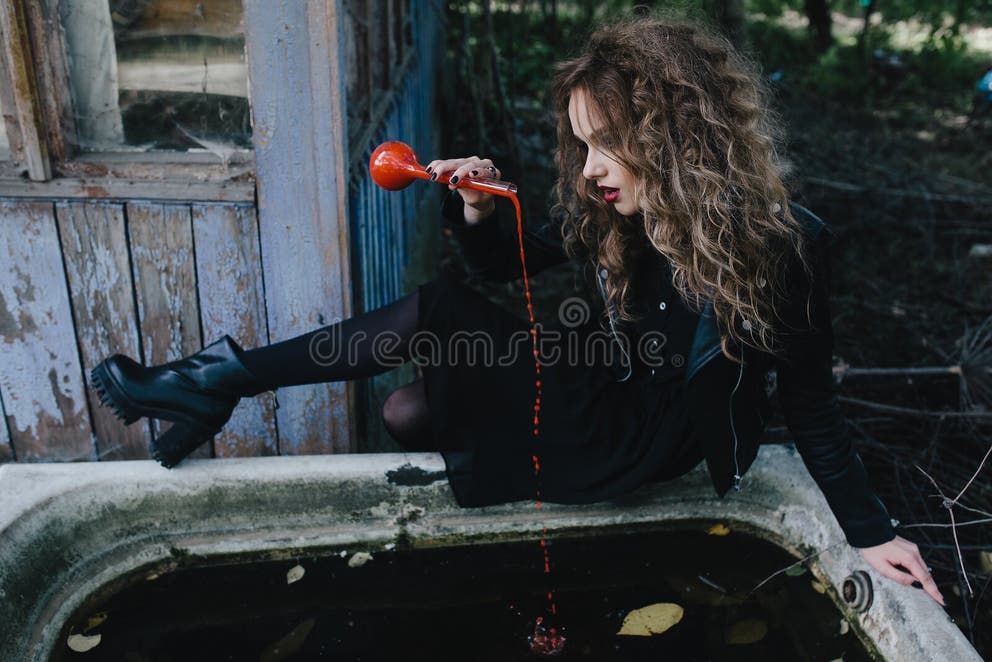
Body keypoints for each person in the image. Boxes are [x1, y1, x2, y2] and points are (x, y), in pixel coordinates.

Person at [91, 14, 944, 606]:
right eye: (584, 143)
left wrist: (870, 532)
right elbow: (511, 264)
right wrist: (477, 208)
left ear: (675, 136)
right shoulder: (620, 209)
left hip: (646, 437)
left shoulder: (781, 244)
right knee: (408, 410)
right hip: (599, 386)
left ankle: (217, 380)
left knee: (439, 314)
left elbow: (812, 403)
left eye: (609, 143)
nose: (592, 167)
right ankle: (215, 382)